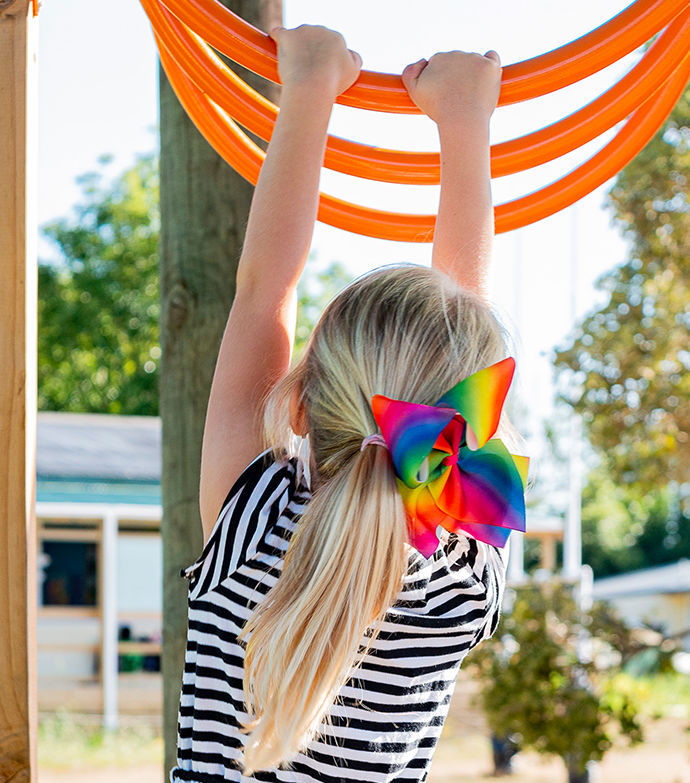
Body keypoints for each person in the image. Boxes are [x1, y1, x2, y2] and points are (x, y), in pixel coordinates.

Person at [172, 24, 527, 783]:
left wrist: (305, 89)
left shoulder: (251, 514)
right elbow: (459, 333)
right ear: (466, 427)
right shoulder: (463, 571)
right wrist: (462, 123)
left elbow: (263, 289)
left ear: (297, 400)